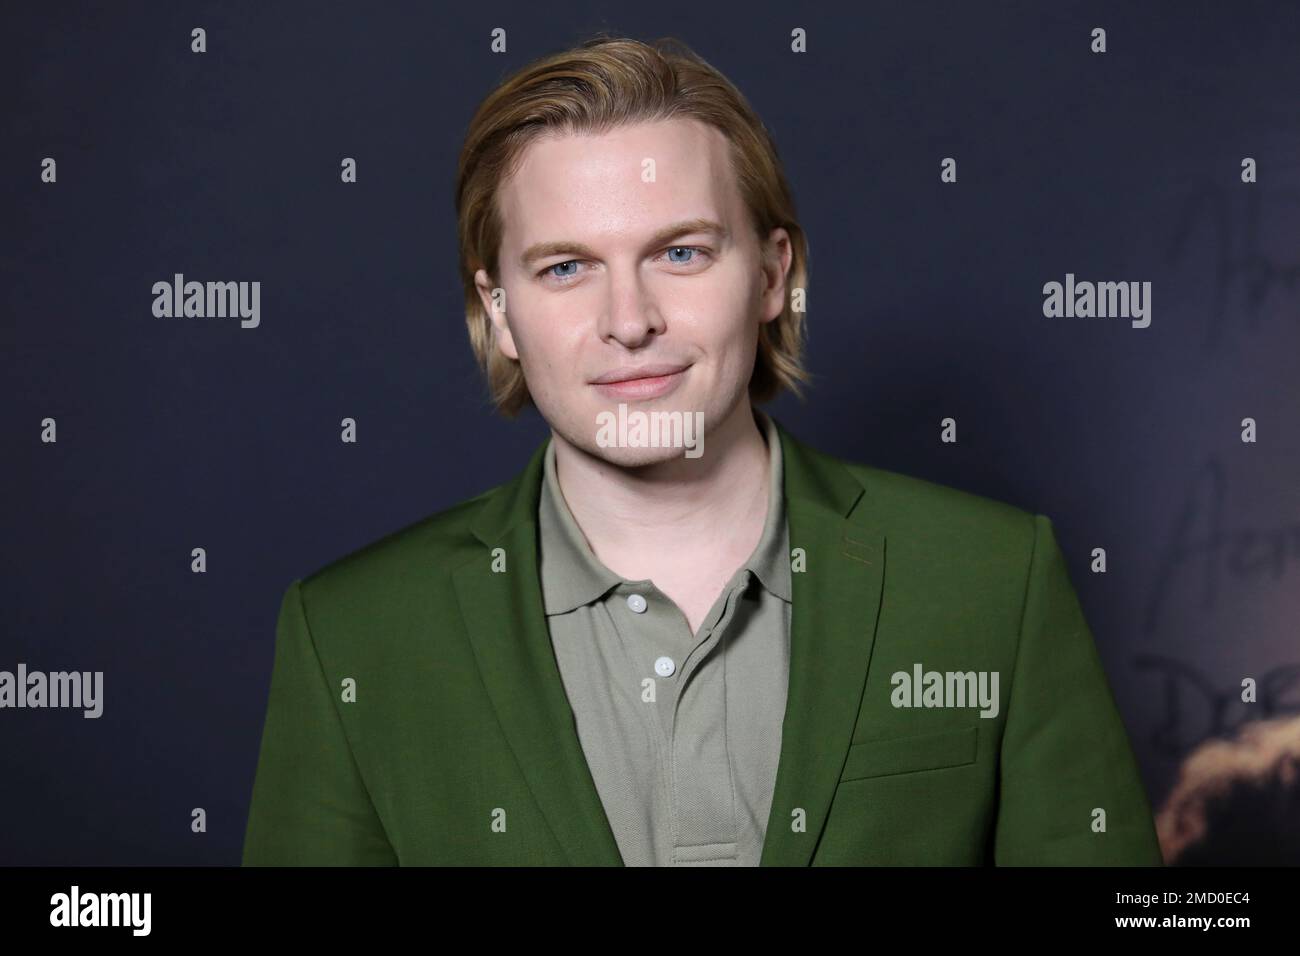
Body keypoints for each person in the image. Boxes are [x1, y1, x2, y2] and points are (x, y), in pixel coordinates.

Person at [242, 34, 1163, 866]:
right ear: (500, 312)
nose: (629, 320)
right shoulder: (354, 635)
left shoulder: (991, 578)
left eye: (680, 253)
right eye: (565, 268)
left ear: (772, 275)